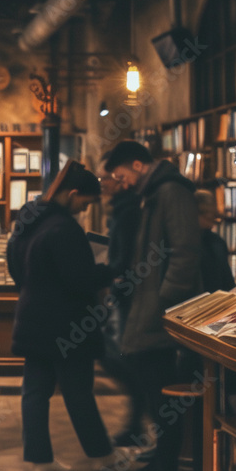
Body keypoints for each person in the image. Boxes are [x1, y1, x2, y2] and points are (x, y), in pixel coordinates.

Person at [102, 141, 201, 471]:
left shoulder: (170, 192)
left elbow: (185, 251)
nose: (121, 182)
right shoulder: (154, 193)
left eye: (121, 175)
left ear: (137, 165)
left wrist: (164, 302)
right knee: (156, 398)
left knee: (164, 402)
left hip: (161, 317)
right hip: (150, 311)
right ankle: (161, 464)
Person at [7, 161, 116, 471]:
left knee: (35, 391)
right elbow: (80, 279)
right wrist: (110, 269)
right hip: (68, 323)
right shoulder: (65, 228)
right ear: (72, 194)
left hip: (32, 316)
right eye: (85, 202)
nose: (84, 210)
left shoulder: (27, 222)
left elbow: (16, 268)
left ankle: (40, 461)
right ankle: (101, 455)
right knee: (78, 389)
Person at [98, 167, 145, 447]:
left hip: (128, 295)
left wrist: (111, 274)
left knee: (122, 356)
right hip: (122, 293)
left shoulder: (128, 211)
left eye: (106, 177)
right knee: (119, 356)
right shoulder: (123, 208)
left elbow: (124, 256)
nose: (102, 183)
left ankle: (143, 415)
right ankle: (138, 418)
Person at [195, 189, 236, 292]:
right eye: (208, 216)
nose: (213, 220)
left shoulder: (217, 242)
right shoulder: (217, 242)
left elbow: (227, 281)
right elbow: (228, 283)